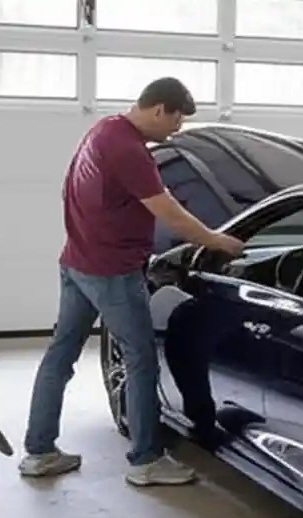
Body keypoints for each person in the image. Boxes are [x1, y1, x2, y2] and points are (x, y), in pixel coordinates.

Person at [20, 77, 244, 486]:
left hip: (77, 262)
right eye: (176, 120)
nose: (176, 130)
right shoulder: (129, 151)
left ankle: (39, 452)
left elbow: (74, 192)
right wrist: (217, 241)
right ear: (160, 109)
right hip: (112, 272)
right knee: (141, 359)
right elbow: (170, 213)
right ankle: (146, 460)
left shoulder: (102, 131)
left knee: (60, 355)